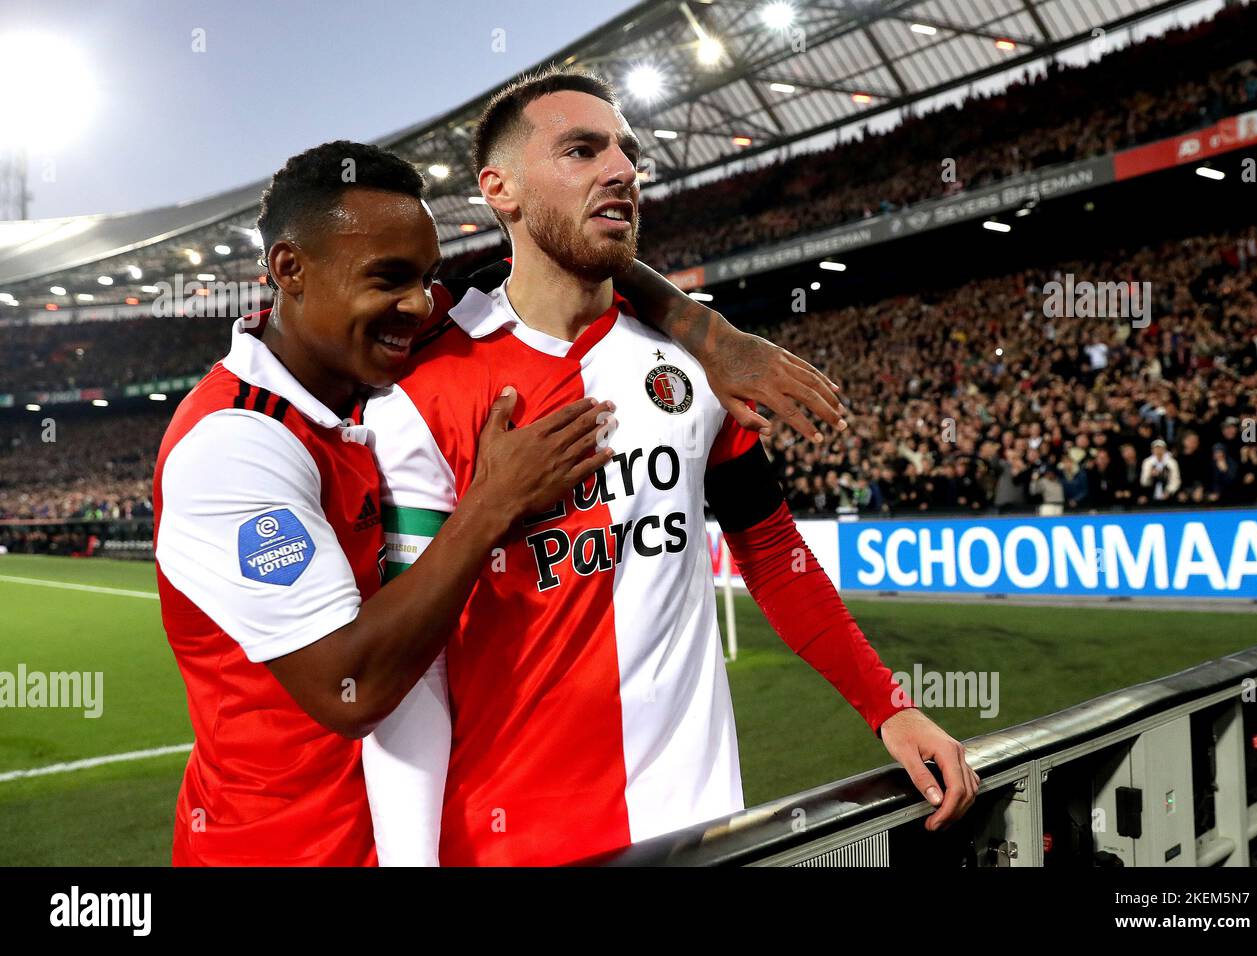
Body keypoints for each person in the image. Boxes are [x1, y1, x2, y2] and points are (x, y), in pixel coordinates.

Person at [154, 140, 849, 867]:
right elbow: (348, 689)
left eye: (426, 278)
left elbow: (575, 268)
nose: (420, 305)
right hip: (280, 851)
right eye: (390, 280)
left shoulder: (364, 370)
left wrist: (708, 333)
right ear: (288, 270)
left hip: (400, 834)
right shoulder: (232, 447)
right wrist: (494, 505)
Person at [361, 68, 978, 867]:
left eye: (628, 151)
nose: (623, 169)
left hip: (702, 828)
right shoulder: (425, 388)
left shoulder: (694, 368)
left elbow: (774, 557)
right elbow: (413, 666)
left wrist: (890, 707)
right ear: (500, 189)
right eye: (582, 151)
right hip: (511, 845)